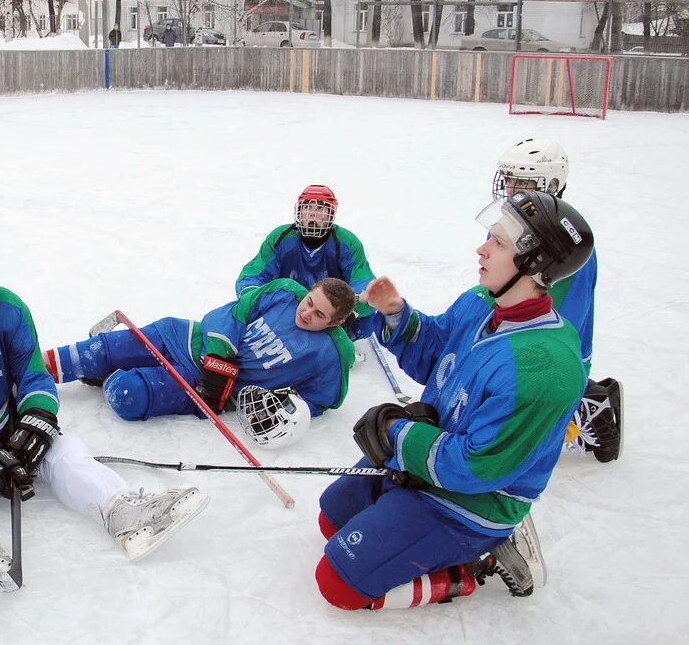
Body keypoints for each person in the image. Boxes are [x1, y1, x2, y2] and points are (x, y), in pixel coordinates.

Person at [314, 190, 594, 611]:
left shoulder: (544, 368)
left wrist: (397, 435)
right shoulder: (481, 303)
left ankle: (470, 566)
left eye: (498, 242)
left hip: (473, 499)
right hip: (431, 458)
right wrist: (395, 312)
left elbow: (477, 466)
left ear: (533, 264)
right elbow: (437, 357)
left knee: (338, 585)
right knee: (331, 518)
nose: (482, 248)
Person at [0, 231, 208, 592]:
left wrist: (38, 418)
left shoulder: (7, 308)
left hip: (1, 415)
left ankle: (123, 511)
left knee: (64, 449)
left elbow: (33, 374)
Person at [44, 277, 357, 447]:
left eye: (319, 315)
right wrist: (220, 358)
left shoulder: (333, 354)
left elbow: (322, 400)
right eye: (309, 302)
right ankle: (33, 370)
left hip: (212, 389)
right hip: (187, 339)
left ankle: (112, 373)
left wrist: (283, 408)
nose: (306, 313)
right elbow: (233, 313)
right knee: (97, 352)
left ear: (336, 323)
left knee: (126, 396)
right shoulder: (285, 292)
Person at [492, 137, 621, 462]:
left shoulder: (568, 248)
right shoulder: (508, 227)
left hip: (557, 353)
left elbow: (566, 325)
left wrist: (559, 379)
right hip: (520, 339)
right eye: (508, 180)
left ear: (550, 185)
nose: (512, 190)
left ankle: (592, 403)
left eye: (522, 183)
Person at [235, 185, 377, 338]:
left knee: (368, 320)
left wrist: (350, 307)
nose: (312, 214)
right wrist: (255, 300)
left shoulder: (346, 242)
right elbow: (253, 275)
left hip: (328, 313)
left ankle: (348, 340)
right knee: (243, 311)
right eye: (307, 207)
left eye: (320, 209)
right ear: (299, 211)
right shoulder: (281, 237)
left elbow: (363, 282)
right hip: (287, 309)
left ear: (331, 214)